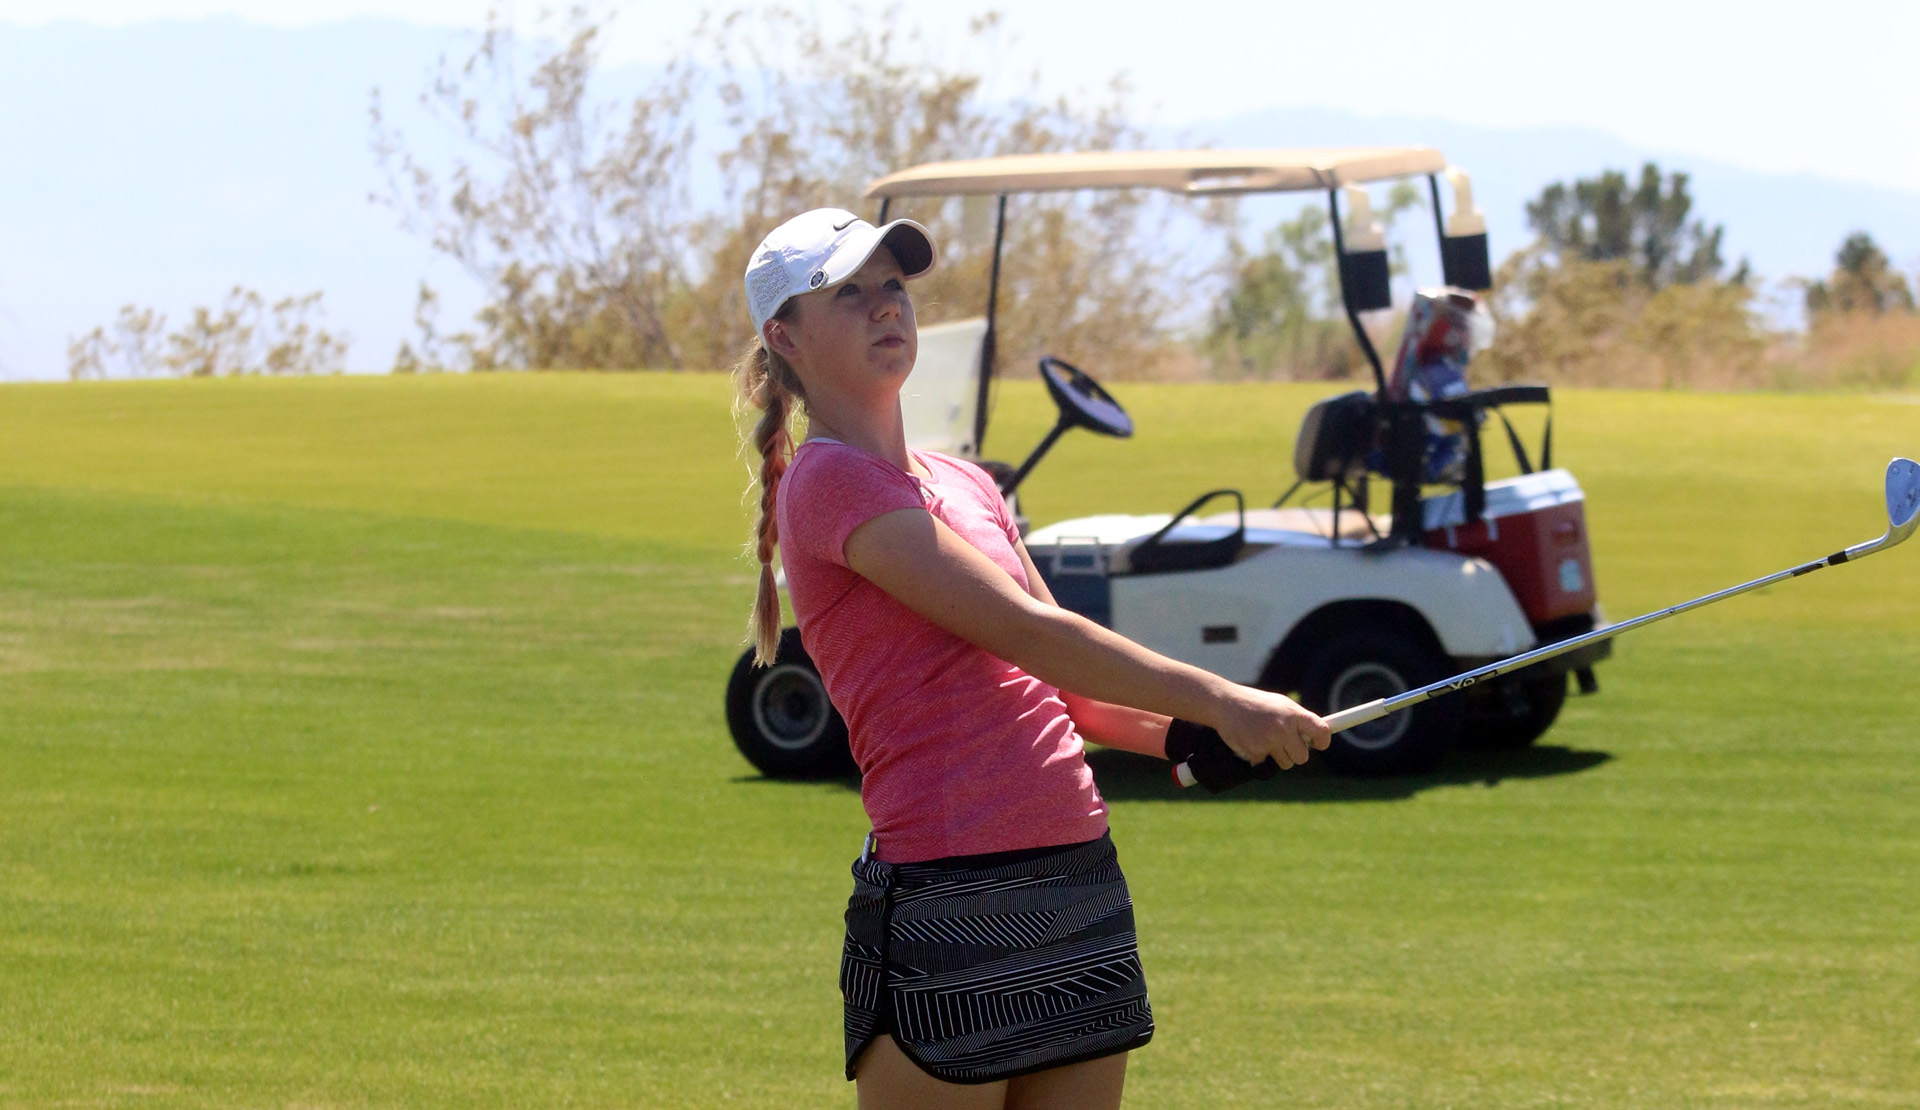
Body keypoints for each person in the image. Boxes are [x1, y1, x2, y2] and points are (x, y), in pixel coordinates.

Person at [733, 207, 1331, 1109]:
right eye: (848, 292)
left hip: (1077, 875)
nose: (885, 307)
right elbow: (1027, 630)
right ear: (784, 334)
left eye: (893, 285)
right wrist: (1223, 698)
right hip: (950, 890)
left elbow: (1060, 687)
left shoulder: (967, 483)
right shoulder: (828, 483)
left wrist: (1189, 737)